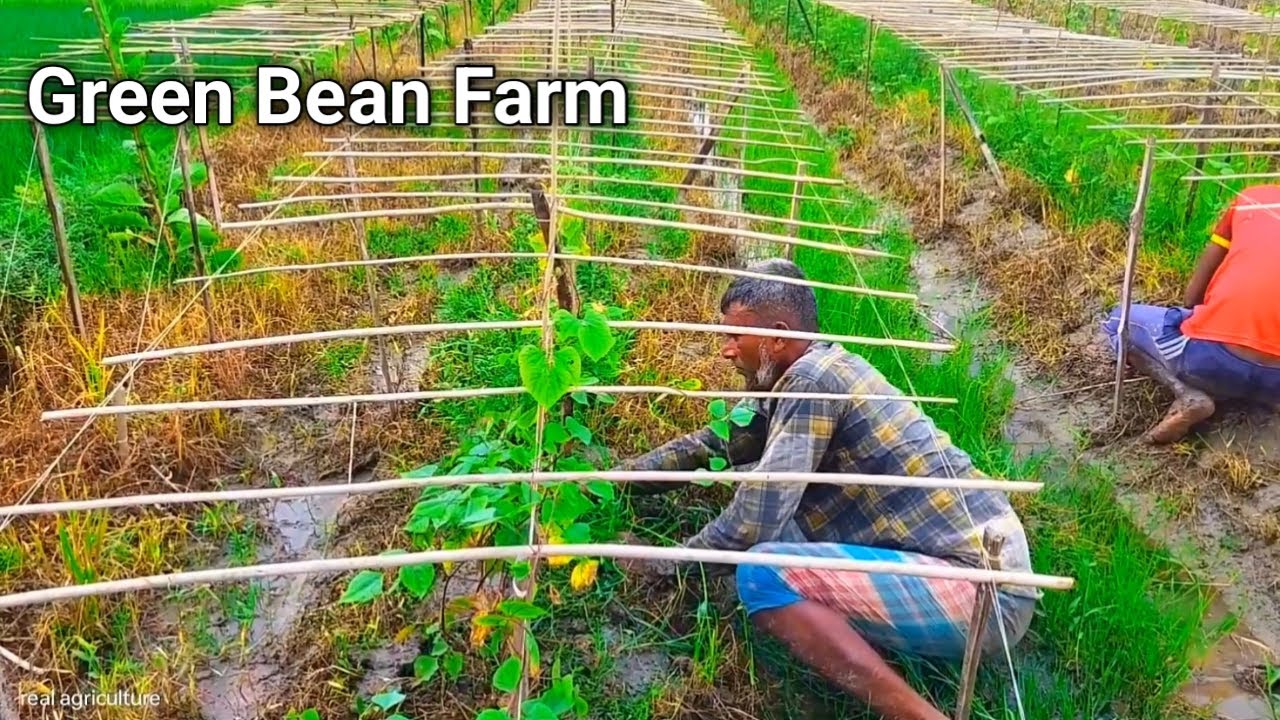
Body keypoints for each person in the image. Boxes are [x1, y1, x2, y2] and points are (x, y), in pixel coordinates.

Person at [612, 258, 1040, 720]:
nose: (726, 351)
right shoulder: (799, 378)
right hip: (962, 568)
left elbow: (756, 517)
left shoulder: (815, 381)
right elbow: (714, 444)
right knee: (785, 540)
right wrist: (614, 482)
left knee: (763, 573)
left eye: (736, 336)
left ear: (777, 336)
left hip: (984, 592)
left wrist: (666, 566)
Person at [1102, 183, 1280, 445]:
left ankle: (1188, 393)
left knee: (1118, 321)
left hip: (1211, 359)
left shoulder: (1253, 197)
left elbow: (1191, 297)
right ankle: (1265, 396)